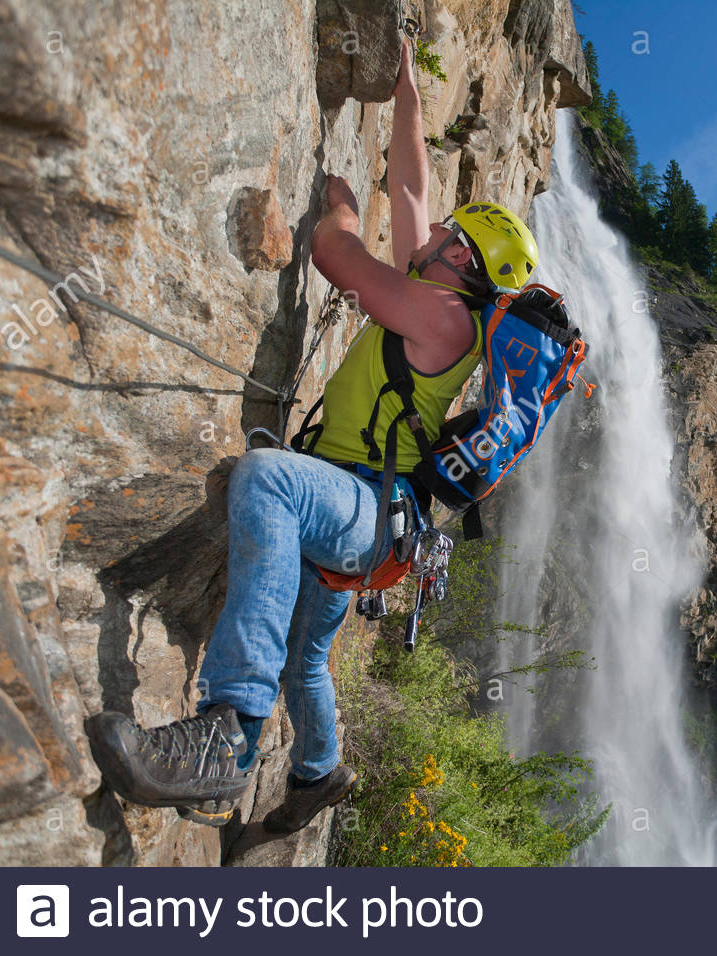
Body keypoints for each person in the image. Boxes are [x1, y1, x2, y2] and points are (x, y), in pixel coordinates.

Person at [87, 36, 539, 832]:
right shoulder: (434, 294)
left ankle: (227, 739)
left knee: (268, 480)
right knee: (307, 659)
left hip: (362, 506)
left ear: (462, 258)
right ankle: (319, 774)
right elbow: (411, 183)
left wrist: (338, 207)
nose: (432, 228)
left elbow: (334, 252)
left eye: (449, 230)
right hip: (365, 518)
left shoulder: (441, 315)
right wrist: (405, 96)